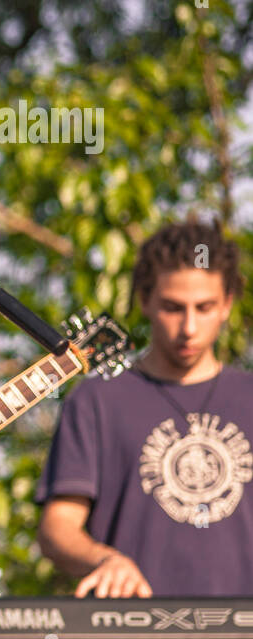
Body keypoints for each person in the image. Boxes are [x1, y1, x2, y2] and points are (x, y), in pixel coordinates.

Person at [37, 218, 251, 597]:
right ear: (145, 301)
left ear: (227, 305)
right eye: (173, 307)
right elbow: (58, 527)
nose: (188, 327)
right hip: (130, 635)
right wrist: (103, 559)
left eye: (204, 307)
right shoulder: (97, 399)